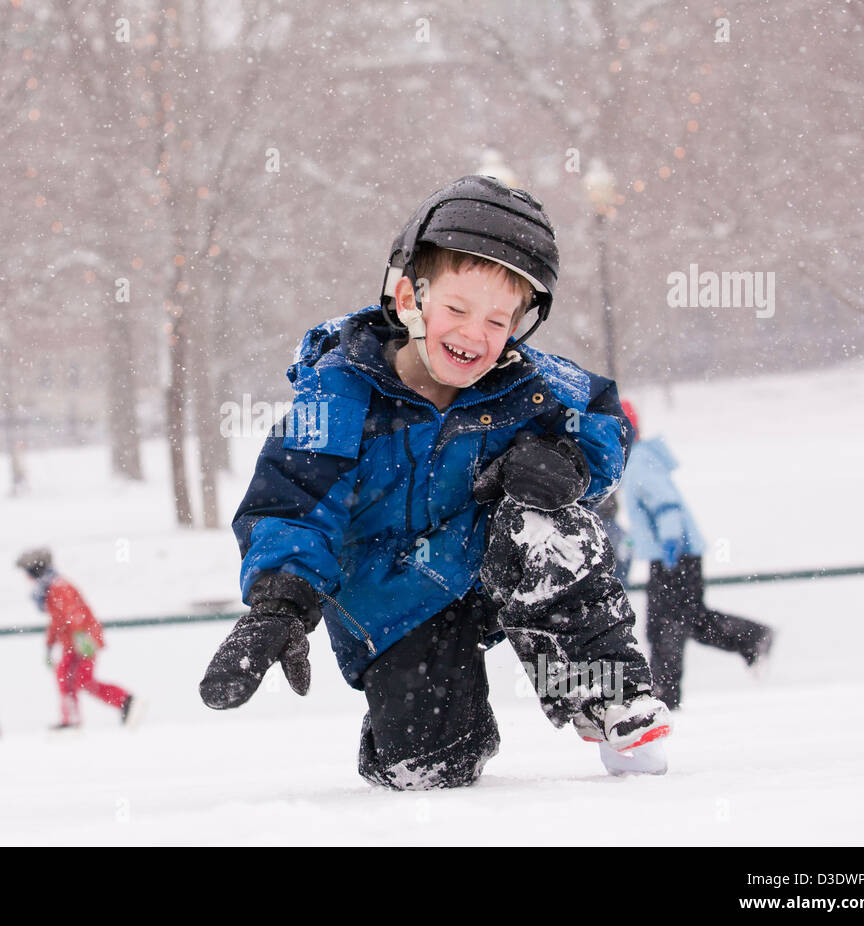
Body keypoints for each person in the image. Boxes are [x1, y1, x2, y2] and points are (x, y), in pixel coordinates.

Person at [199, 175, 671, 790]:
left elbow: (605, 416)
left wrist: (571, 461)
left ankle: (606, 691)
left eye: (499, 320)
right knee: (431, 768)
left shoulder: (526, 384)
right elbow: (293, 499)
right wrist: (281, 604)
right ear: (407, 298)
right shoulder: (339, 397)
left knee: (541, 525)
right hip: (398, 598)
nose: (476, 334)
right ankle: (426, 735)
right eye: (456, 308)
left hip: (495, 557)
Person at [618, 399, 774, 710]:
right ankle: (752, 638)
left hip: (674, 556)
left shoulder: (638, 464)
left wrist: (672, 543)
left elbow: (666, 507)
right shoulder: (637, 461)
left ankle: (665, 695)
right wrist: (635, 545)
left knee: (667, 626)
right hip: (671, 555)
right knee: (685, 620)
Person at [16, 548, 141, 729]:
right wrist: (49, 645)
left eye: (27, 573)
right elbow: (56, 621)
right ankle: (71, 718)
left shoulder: (59, 587)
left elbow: (73, 614)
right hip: (72, 642)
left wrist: (81, 636)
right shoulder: (50, 589)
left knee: (82, 679)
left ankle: (126, 701)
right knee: (64, 677)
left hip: (83, 640)